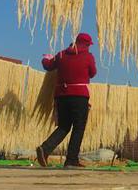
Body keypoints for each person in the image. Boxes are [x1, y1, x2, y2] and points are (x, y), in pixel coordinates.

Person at [36, 33, 97, 168]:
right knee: (78, 127)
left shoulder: (62, 54)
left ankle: (45, 148)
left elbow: (48, 65)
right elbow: (93, 73)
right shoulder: (88, 56)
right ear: (86, 44)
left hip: (61, 95)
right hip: (79, 96)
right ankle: (71, 160)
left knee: (64, 126)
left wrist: (46, 58)